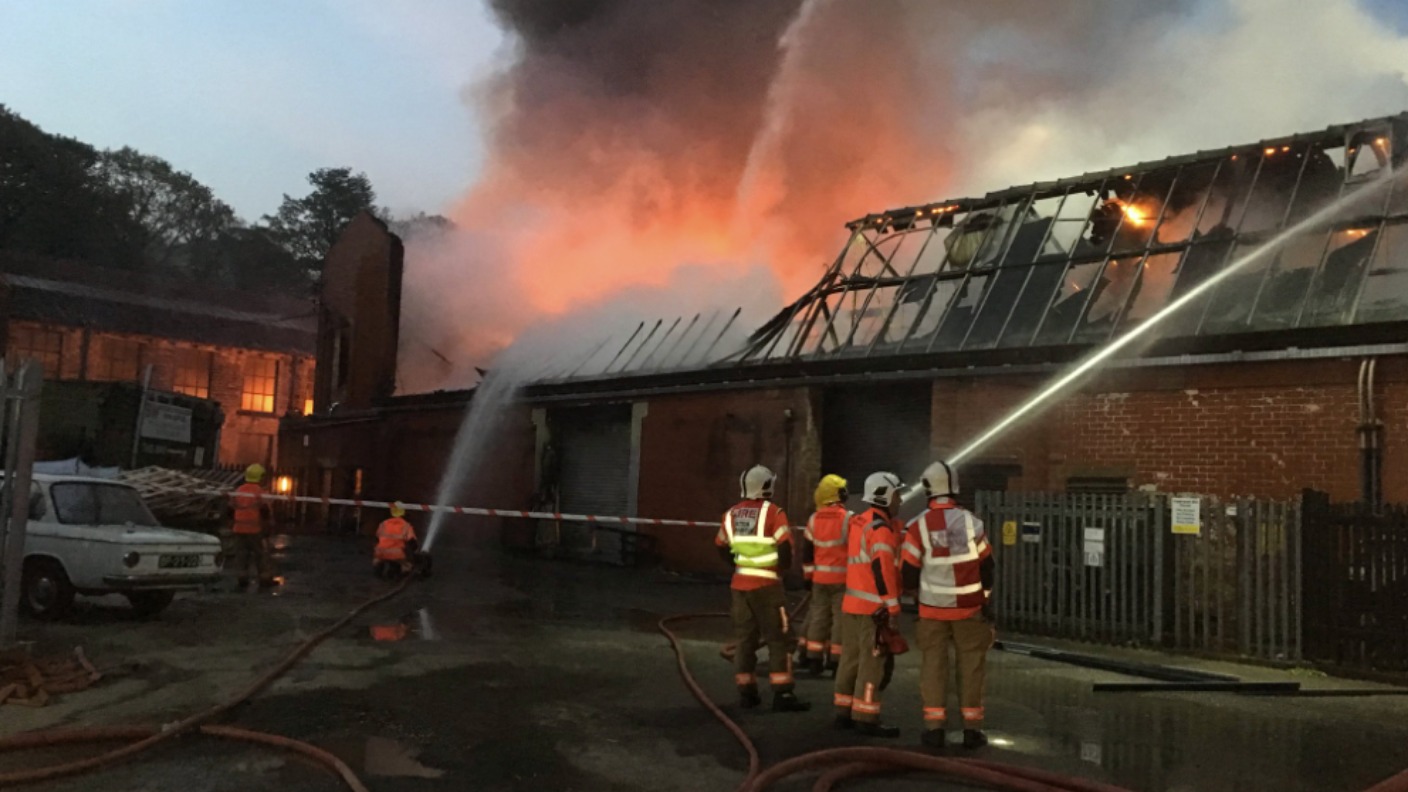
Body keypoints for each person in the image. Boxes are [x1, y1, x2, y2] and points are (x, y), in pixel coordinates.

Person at [901, 461, 996, 750]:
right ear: (954, 487)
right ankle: (971, 729)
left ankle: (934, 729)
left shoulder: (917, 527)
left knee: (933, 667)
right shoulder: (972, 523)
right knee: (971, 667)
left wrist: (917, 596)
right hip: (969, 609)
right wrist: (985, 599)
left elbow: (908, 572)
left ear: (928, 489)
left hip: (931, 611)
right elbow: (988, 567)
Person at [715, 464, 810, 713]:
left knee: (745, 640)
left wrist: (737, 565)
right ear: (767, 487)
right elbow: (785, 548)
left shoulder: (731, 514)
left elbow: (721, 545)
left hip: (740, 585)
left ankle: (747, 693)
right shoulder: (773, 513)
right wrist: (785, 571)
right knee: (780, 639)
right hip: (767, 586)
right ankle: (783, 694)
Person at [834, 471, 904, 737]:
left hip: (852, 605)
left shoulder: (859, 523)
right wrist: (893, 608)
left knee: (849, 660)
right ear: (884, 495)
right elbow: (882, 570)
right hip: (874, 610)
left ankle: (843, 711)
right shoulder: (881, 531)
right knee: (872, 664)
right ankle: (866, 716)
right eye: (897, 493)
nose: (900, 499)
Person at [798, 474, 850, 677]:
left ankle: (814, 658)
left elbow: (807, 552)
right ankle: (836, 661)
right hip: (842, 580)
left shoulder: (813, 519)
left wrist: (807, 577)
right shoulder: (848, 519)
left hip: (819, 579)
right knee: (840, 621)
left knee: (818, 618)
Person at [230, 463, 275, 588]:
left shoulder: (239, 490)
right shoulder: (260, 492)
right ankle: (264, 579)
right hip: (254, 529)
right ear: (260, 477)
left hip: (239, 528)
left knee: (241, 555)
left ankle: (242, 579)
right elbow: (265, 510)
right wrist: (268, 525)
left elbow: (231, 507)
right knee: (260, 555)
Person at [373, 502, 419, 579]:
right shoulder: (406, 525)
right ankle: (401, 576)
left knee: (377, 560)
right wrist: (413, 554)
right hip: (397, 554)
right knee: (407, 566)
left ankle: (378, 572)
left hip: (380, 552)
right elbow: (412, 542)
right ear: (403, 512)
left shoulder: (383, 523)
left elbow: (377, 538)